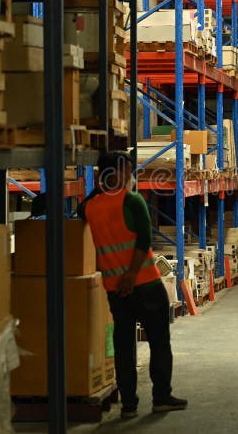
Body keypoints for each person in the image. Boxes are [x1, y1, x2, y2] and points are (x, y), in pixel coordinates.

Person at [79, 151, 187, 419]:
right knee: (160, 341)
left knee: (124, 346)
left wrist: (122, 279)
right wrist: (131, 275)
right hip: (145, 284)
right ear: (112, 174)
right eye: (126, 171)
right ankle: (161, 398)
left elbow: (83, 212)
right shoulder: (132, 201)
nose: (130, 176)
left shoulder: (90, 207)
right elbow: (142, 242)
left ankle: (129, 405)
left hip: (115, 288)